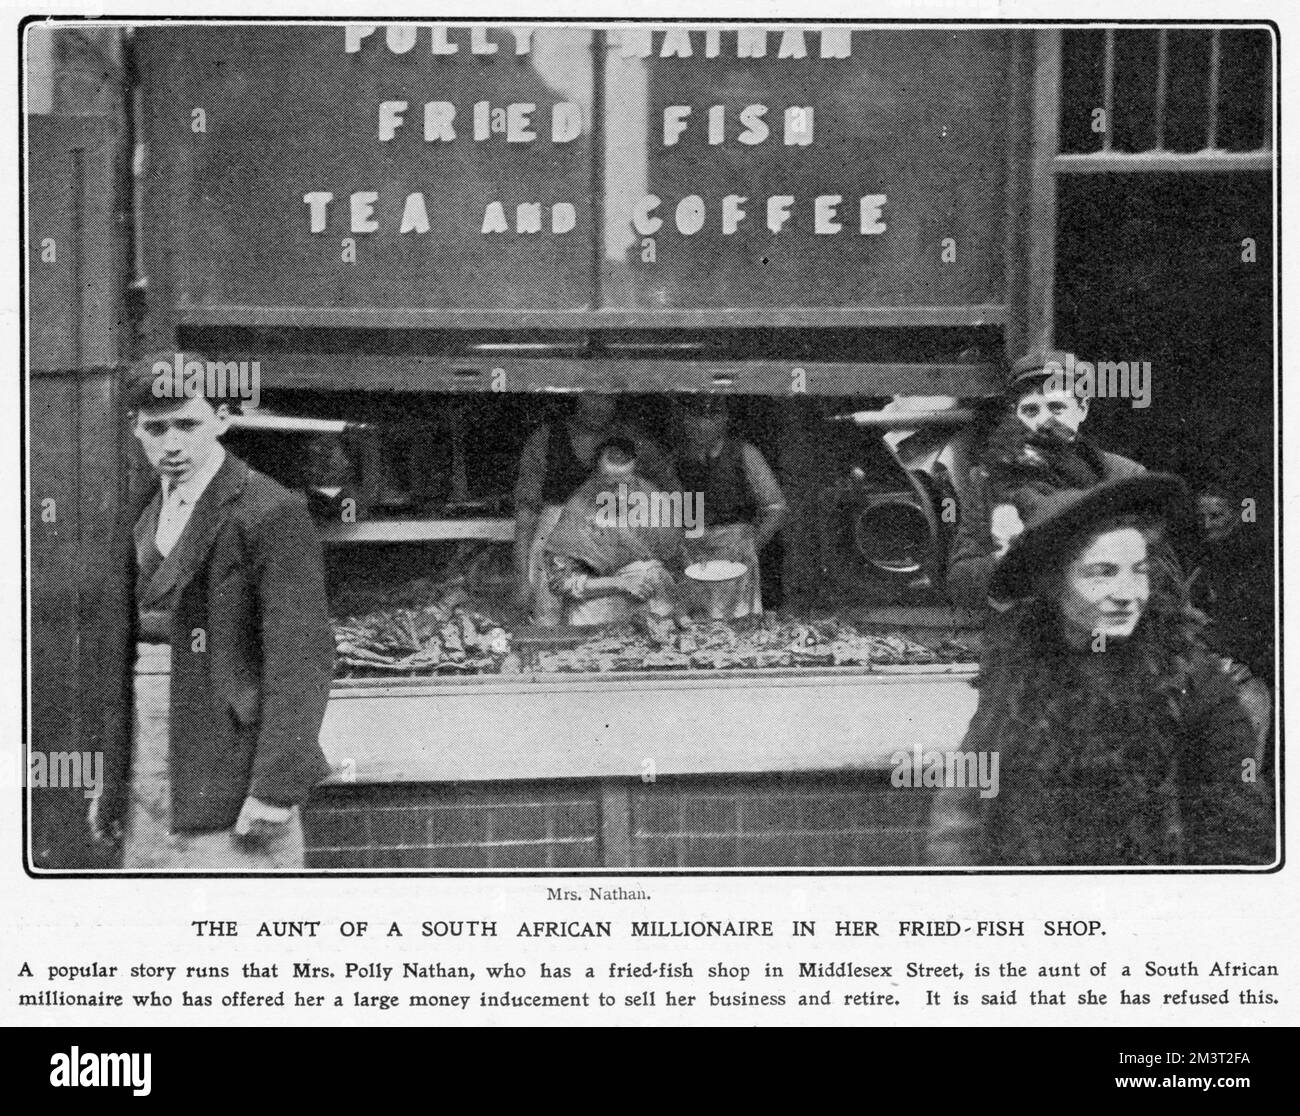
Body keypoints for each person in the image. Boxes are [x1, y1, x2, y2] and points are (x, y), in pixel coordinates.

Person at [927, 475, 1274, 867]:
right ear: (1052, 583)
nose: (1128, 594)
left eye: (1138, 571)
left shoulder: (1194, 683)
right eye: (1102, 572)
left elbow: (1236, 831)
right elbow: (963, 809)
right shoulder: (1018, 670)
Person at [89, 352, 335, 870]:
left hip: (231, 769)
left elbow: (300, 658)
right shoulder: (139, 510)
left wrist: (276, 787)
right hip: (147, 761)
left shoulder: (271, 510)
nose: (173, 444)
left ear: (223, 419)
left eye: (188, 424)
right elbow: (119, 657)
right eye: (157, 429)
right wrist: (111, 783)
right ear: (135, 429)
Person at [946, 349, 1144, 610]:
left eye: (1056, 407)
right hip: (1025, 629)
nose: (1042, 421)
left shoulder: (1124, 476)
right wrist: (1011, 562)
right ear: (1016, 415)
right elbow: (960, 580)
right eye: (1030, 410)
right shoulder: (988, 478)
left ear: (1082, 409)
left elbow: (1156, 572)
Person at [513, 394, 675, 625]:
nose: (599, 406)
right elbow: (527, 512)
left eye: (607, 398)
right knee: (551, 620)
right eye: (591, 397)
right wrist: (521, 578)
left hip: (622, 535)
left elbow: (675, 493)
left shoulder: (635, 443)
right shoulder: (547, 438)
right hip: (559, 537)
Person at [543, 437, 683, 627]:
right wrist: (621, 583)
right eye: (610, 485)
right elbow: (560, 583)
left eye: (626, 484)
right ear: (596, 477)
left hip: (653, 607)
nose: (619, 494)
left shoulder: (653, 498)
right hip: (599, 609)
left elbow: (675, 559)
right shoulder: (579, 508)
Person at [673, 395, 787, 619]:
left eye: (711, 416)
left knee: (737, 620)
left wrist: (750, 546)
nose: (702, 425)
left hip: (736, 546)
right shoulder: (677, 459)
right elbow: (676, 509)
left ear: (724, 418)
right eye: (695, 417)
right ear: (685, 420)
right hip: (695, 548)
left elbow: (776, 507)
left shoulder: (744, 453)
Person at [1189, 483, 1273, 765]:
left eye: (1216, 516)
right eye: (1202, 518)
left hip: (1250, 670)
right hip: (1213, 665)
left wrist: (1205, 632)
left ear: (1237, 515)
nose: (1207, 524)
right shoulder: (1202, 562)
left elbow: (1253, 628)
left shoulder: (1256, 560)